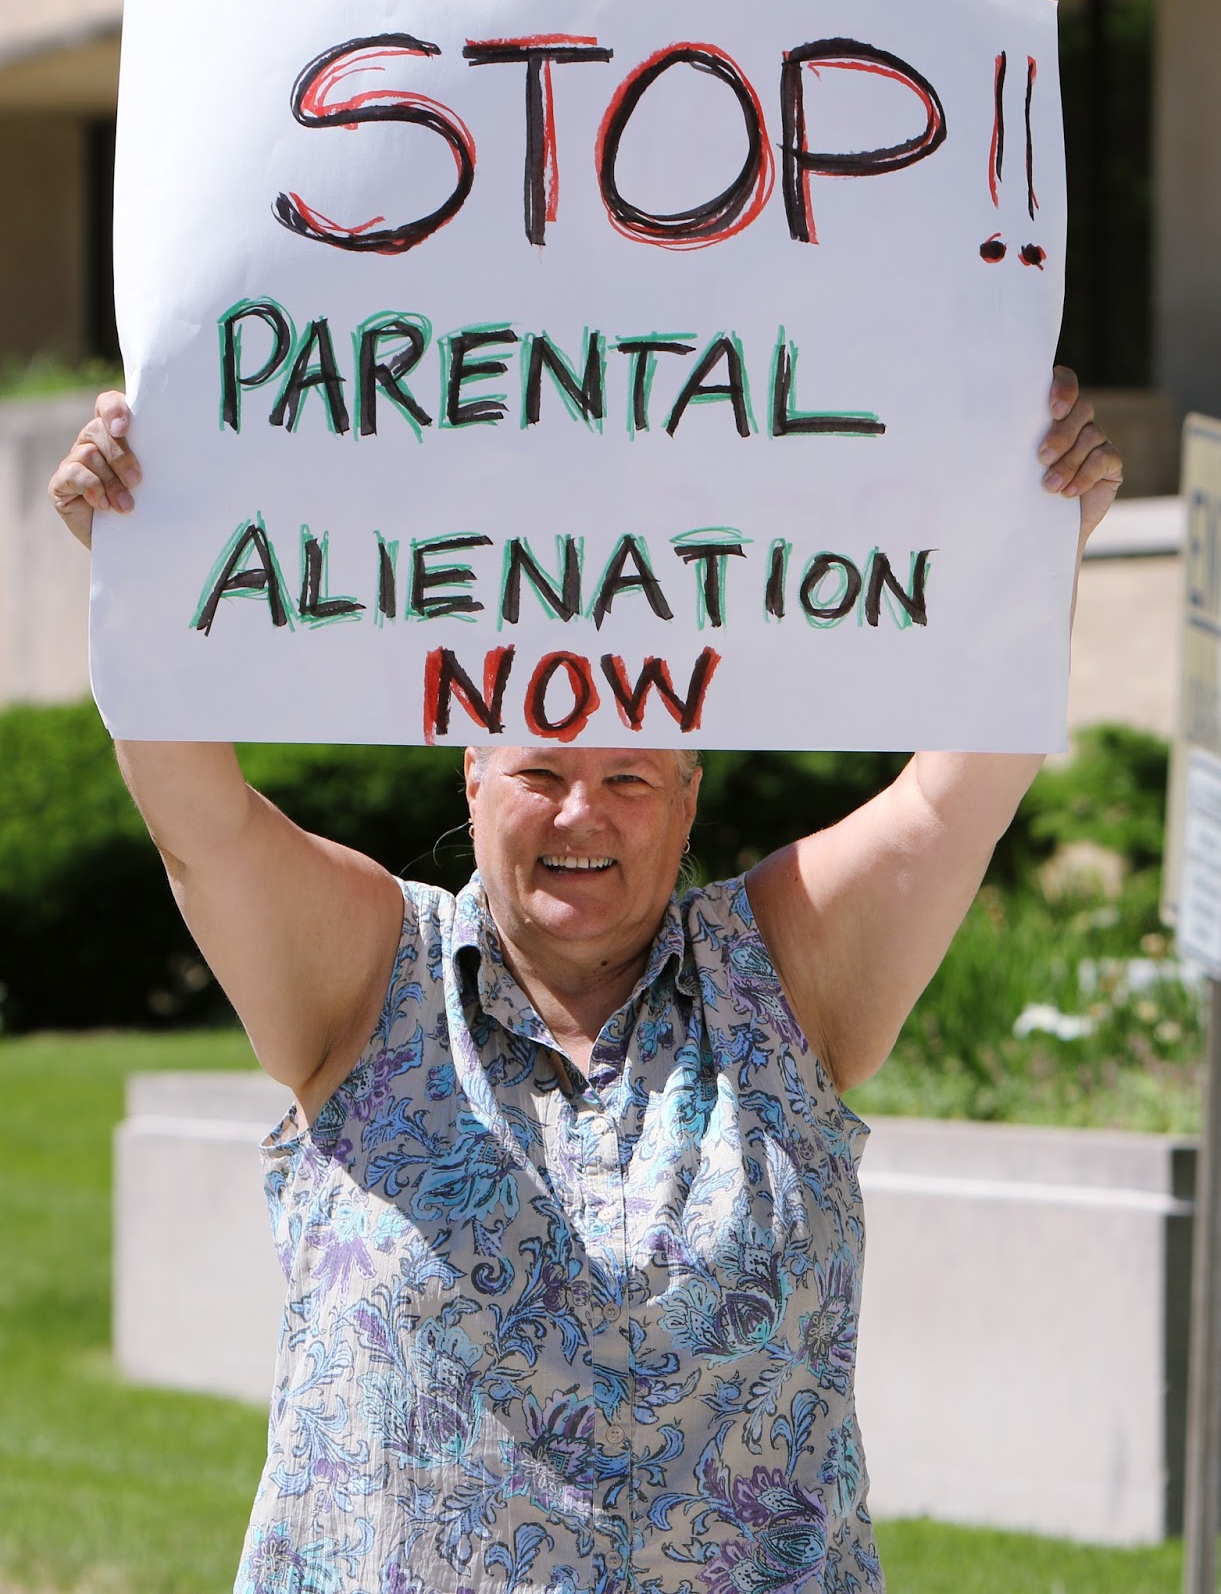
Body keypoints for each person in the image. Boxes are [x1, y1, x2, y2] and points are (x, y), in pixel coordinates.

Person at [49, 373, 1121, 1594]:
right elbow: (204, 826)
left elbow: (954, 794)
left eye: (629, 777)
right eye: (541, 769)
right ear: (469, 774)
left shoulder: (784, 972)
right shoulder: (370, 976)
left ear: (689, 794)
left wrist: (1038, 534)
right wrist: (133, 562)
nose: (581, 814)